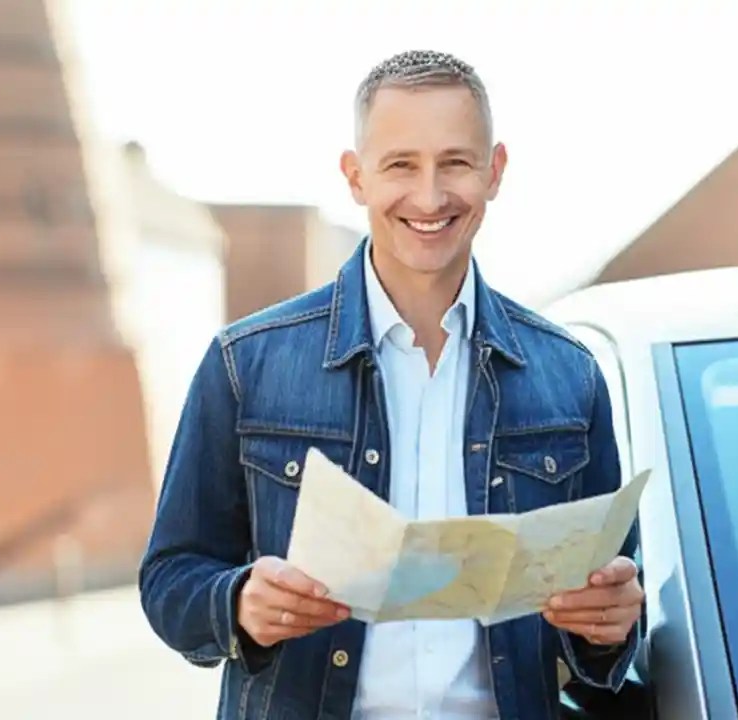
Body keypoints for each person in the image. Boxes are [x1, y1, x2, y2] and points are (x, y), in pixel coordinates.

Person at [139, 49, 643, 720]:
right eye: (401, 165)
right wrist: (238, 604)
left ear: (494, 171)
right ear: (356, 176)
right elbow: (169, 578)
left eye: (455, 163)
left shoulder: (569, 375)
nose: (429, 197)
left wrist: (610, 624)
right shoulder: (244, 363)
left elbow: (613, 615)